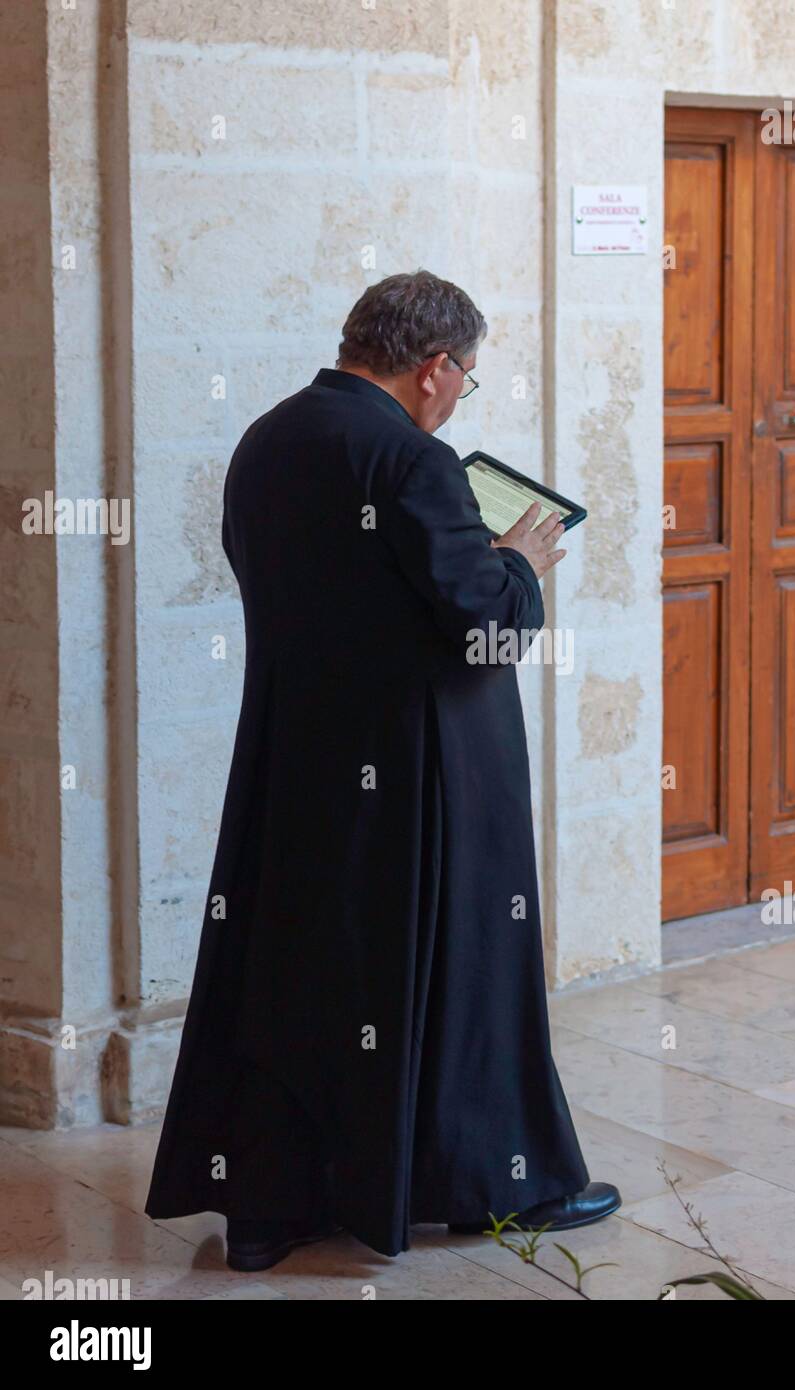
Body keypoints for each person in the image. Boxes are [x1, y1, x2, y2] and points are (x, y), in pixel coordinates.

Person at [143, 268, 621, 1272]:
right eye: (466, 378)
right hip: (424, 773)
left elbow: (341, 591)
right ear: (435, 367)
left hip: (292, 760)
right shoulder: (414, 459)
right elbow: (483, 626)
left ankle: (273, 1207)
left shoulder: (268, 439)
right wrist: (522, 568)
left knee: (296, 971)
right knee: (460, 974)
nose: (458, 397)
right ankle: (505, 1182)